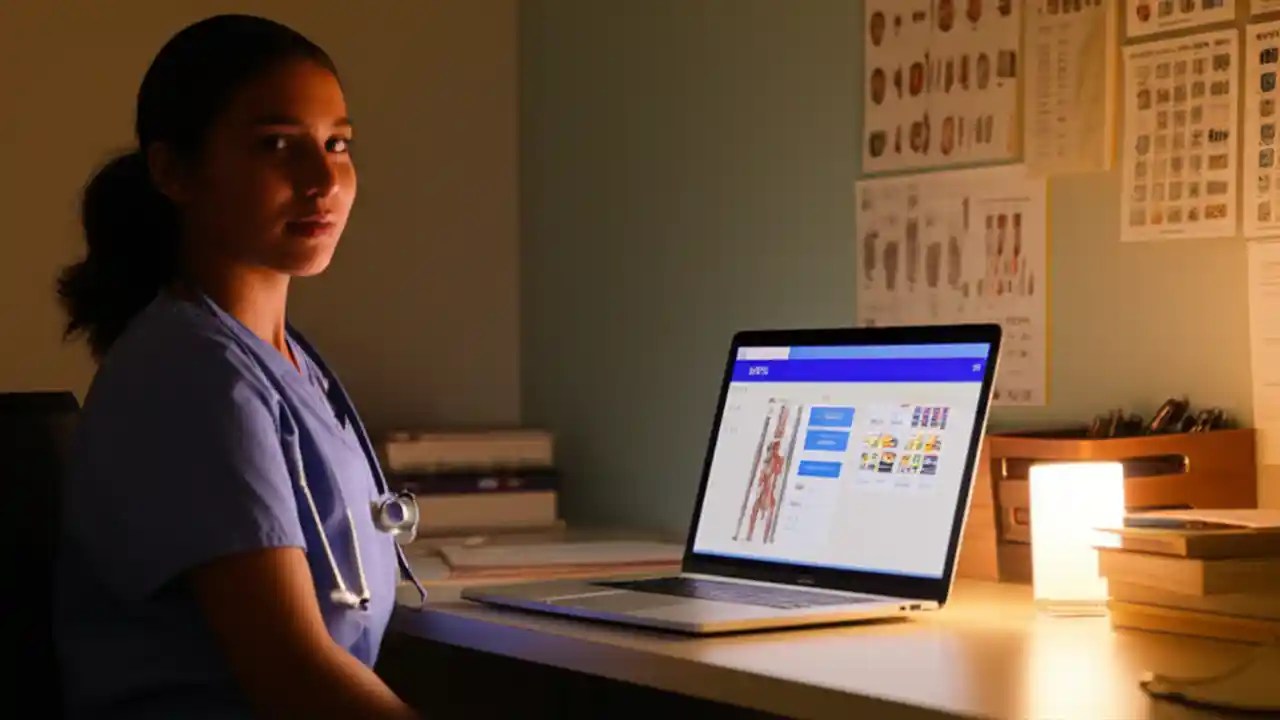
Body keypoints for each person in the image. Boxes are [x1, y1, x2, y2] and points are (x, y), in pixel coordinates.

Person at [53, 14, 425, 720]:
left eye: (337, 143)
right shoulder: (193, 374)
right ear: (173, 171)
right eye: (277, 145)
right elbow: (295, 676)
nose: (323, 179)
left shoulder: (285, 361)